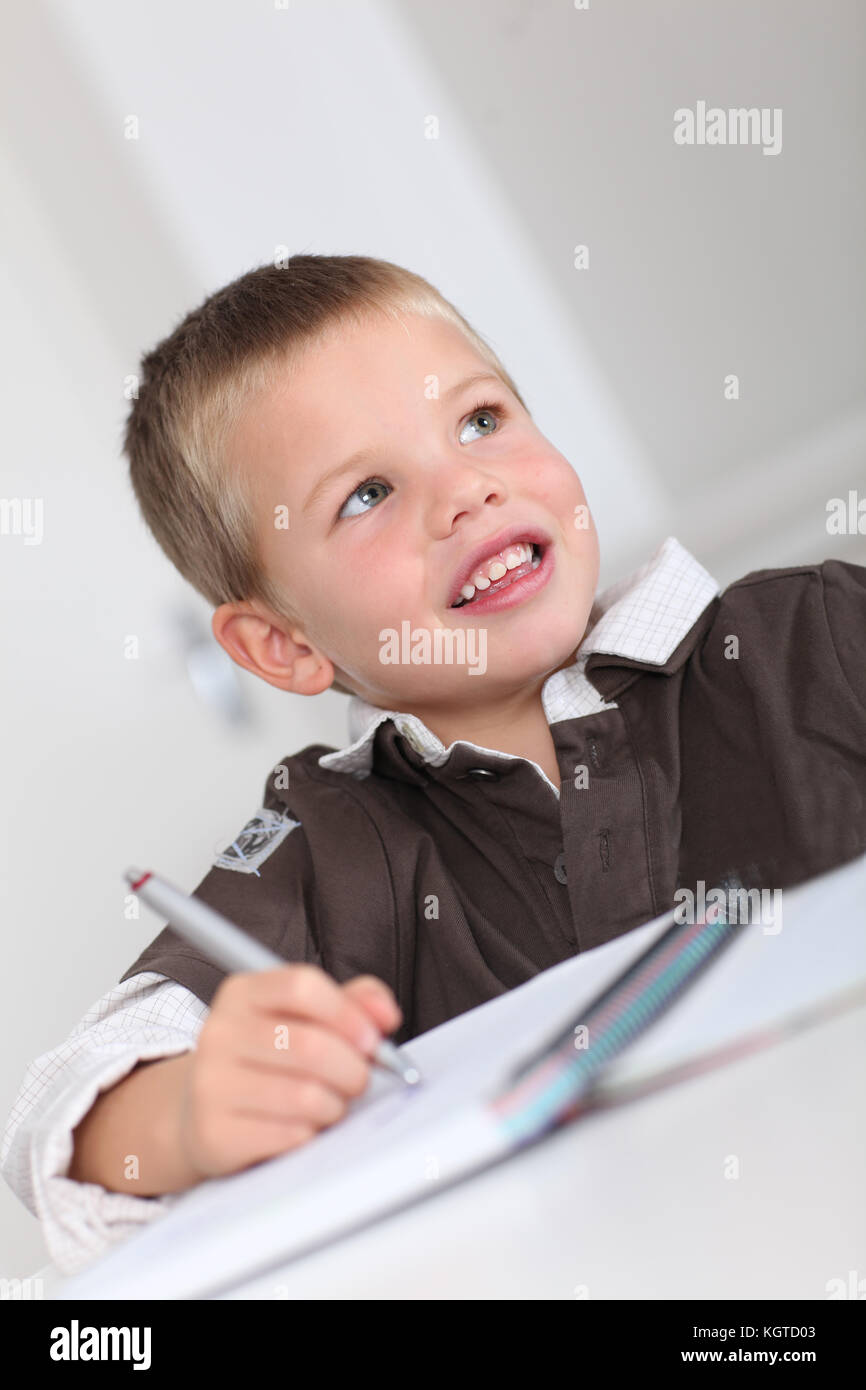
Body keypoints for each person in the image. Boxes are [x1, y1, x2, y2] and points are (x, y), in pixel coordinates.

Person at [3, 255, 865, 1275]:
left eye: (479, 421)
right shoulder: (331, 834)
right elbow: (74, 1104)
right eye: (367, 492)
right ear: (283, 646)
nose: (464, 491)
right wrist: (190, 1108)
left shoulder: (811, 637)